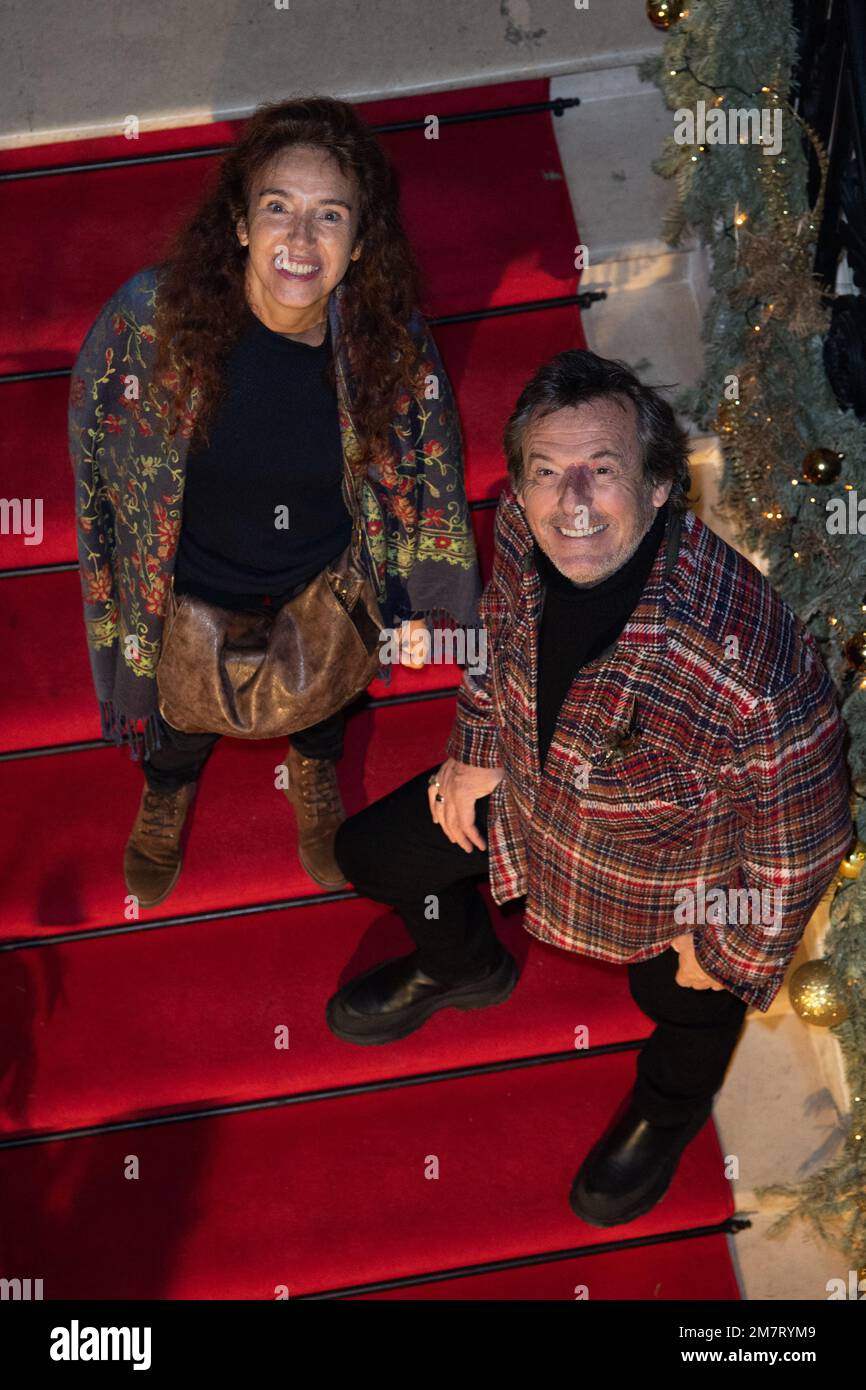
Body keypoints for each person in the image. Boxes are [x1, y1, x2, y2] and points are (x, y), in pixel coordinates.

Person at [326, 348, 853, 1229]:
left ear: (657, 490)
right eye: (546, 473)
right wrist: (477, 746)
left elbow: (803, 844)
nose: (570, 502)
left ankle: (666, 1111)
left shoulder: (751, 662)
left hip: (668, 880)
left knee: (683, 1003)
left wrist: (726, 944)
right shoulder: (525, 531)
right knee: (372, 853)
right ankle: (465, 966)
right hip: (533, 801)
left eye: (601, 472)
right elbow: (496, 636)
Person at [69, 97, 481, 907]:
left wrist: (418, 592)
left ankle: (315, 771)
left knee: (323, 700)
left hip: (321, 581)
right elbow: (99, 455)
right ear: (240, 225)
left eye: (329, 216)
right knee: (181, 723)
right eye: (277, 209)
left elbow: (430, 461)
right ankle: (167, 792)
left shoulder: (386, 339)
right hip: (192, 584)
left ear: (359, 244)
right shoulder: (151, 324)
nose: (300, 240)